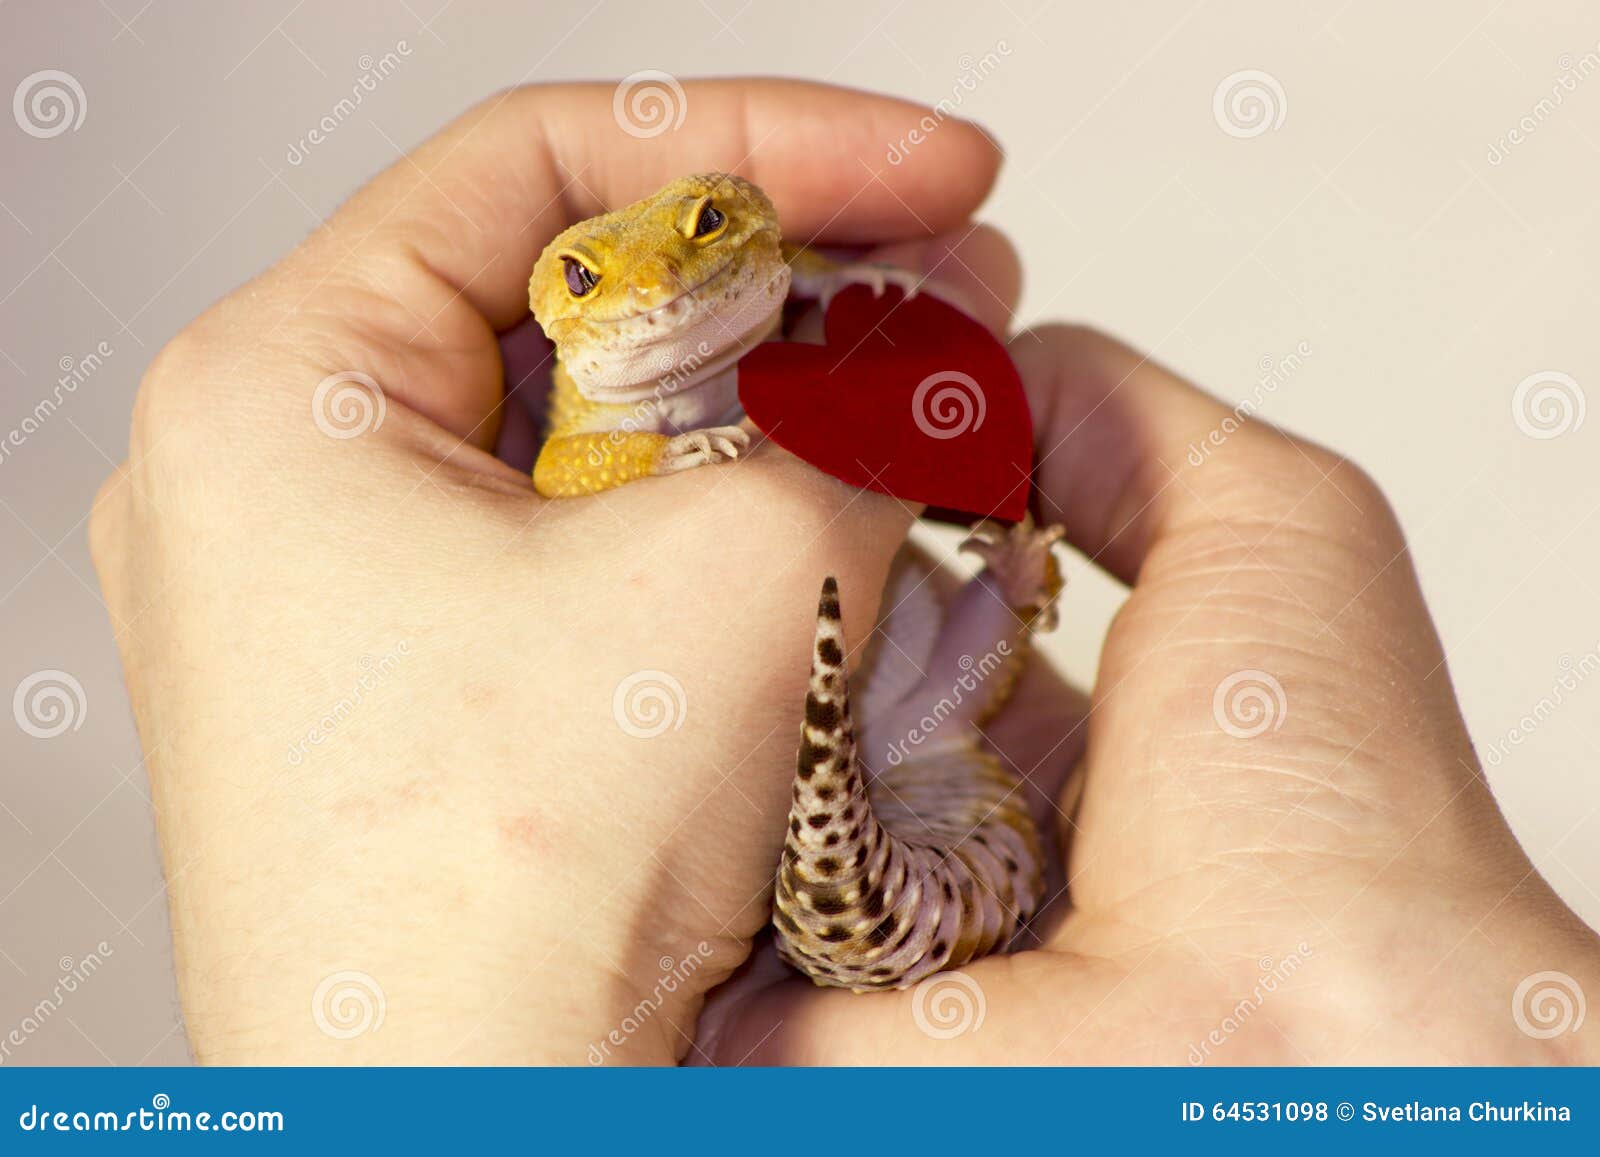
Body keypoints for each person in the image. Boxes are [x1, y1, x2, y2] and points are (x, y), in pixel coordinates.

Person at [89, 79, 1599, 1065]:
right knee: (897, 703)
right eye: (590, 279)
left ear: (759, 242)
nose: (656, 289)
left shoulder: (776, 351)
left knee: (914, 690)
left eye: (698, 233)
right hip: (859, 819)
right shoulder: (579, 468)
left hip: (899, 802)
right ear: (558, 320)